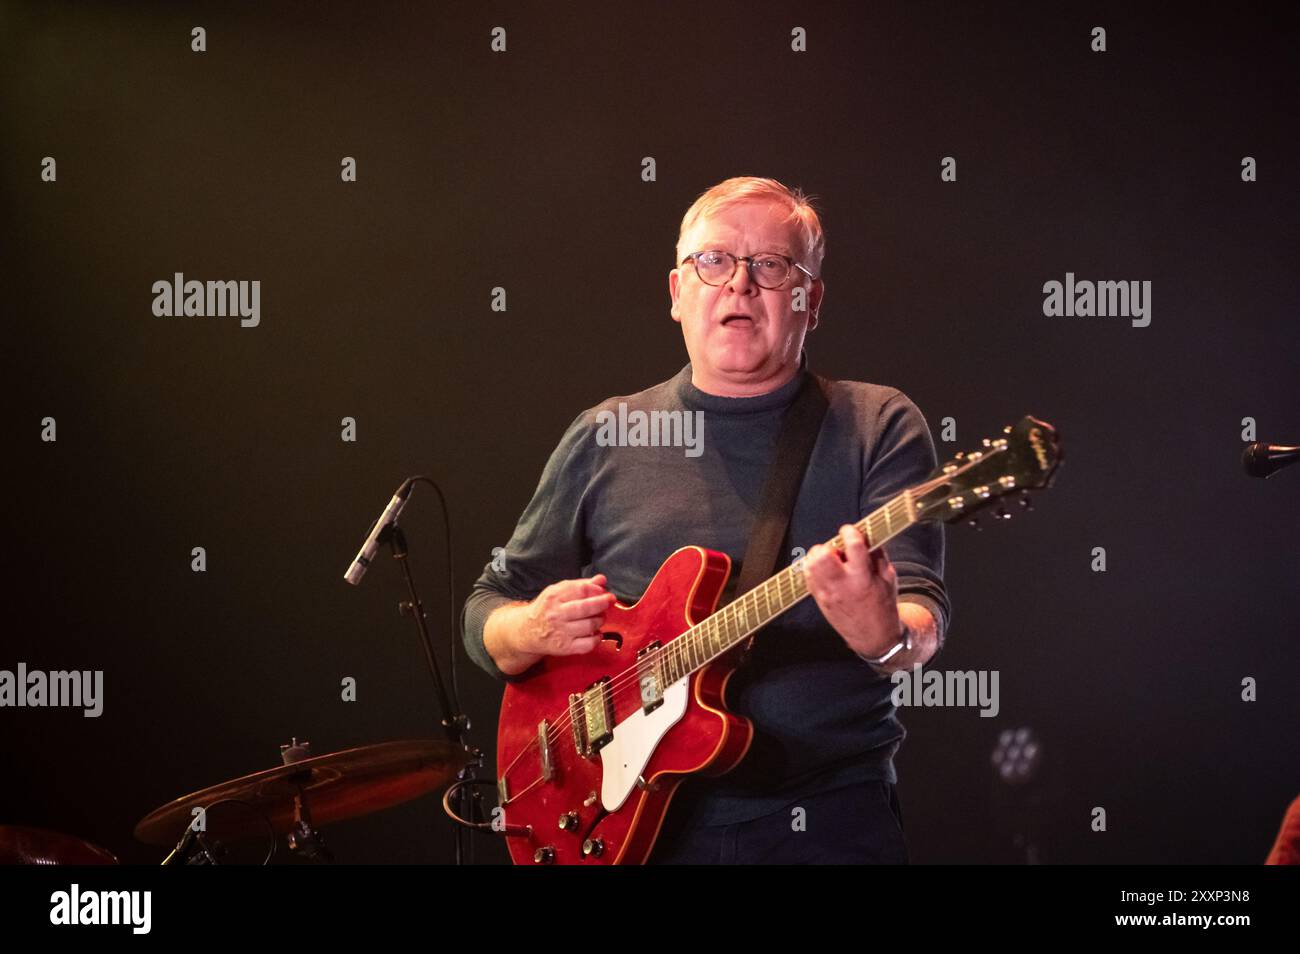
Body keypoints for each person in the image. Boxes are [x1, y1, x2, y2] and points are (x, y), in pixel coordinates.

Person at [461, 176, 949, 863]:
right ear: (676, 293)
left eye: (772, 266)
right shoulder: (607, 433)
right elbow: (486, 609)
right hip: (634, 827)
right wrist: (527, 628)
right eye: (713, 262)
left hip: (827, 821)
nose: (739, 286)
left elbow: (920, 620)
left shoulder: (875, 424)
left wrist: (882, 635)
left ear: (811, 301)